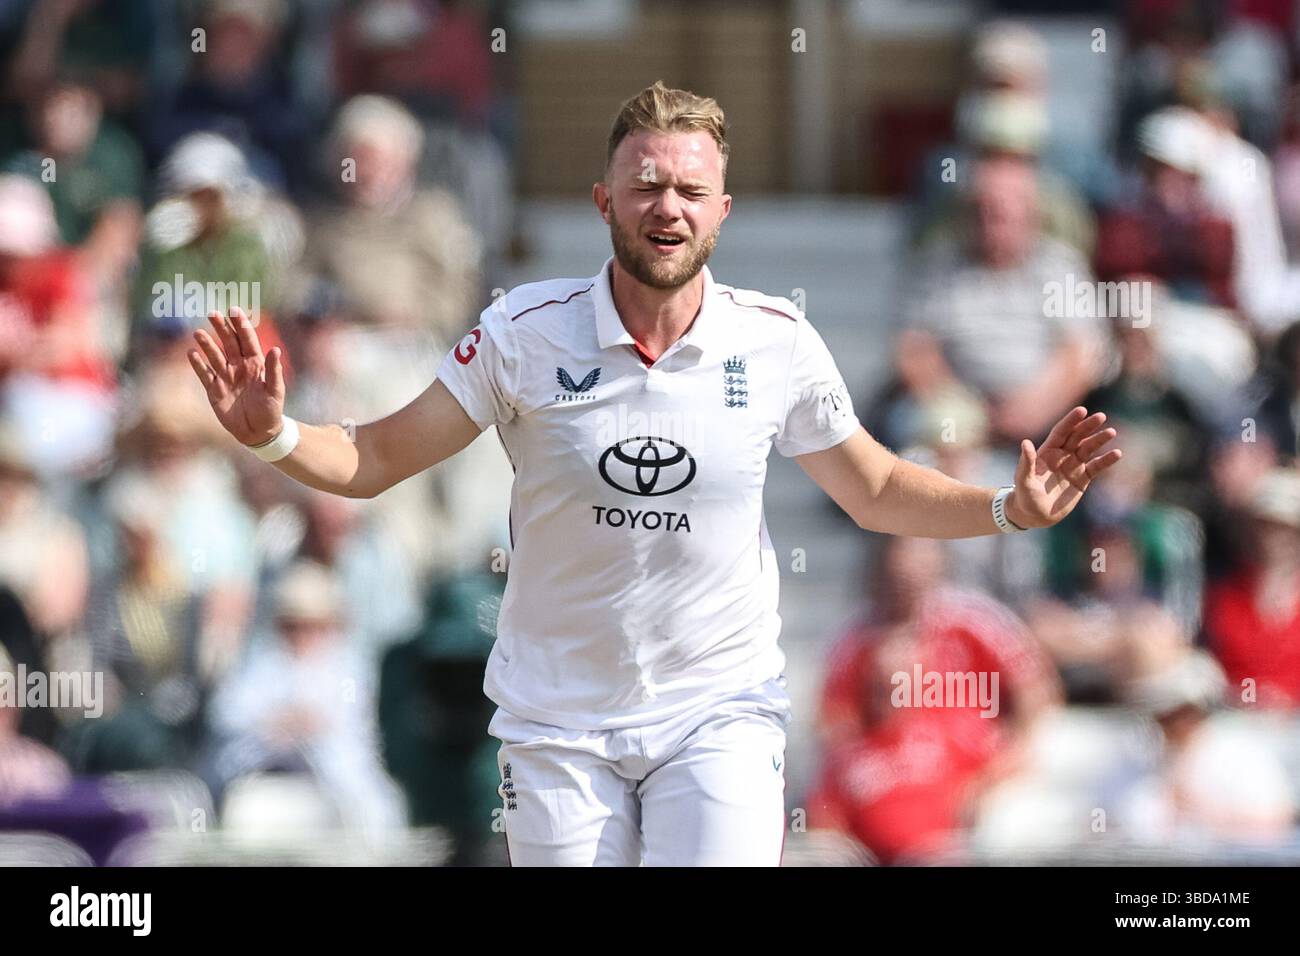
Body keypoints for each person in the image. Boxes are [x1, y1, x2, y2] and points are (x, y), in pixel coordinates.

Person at [185, 81, 1123, 866]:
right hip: (557, 720)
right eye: (645, 185)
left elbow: (874, 488)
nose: (665, 206)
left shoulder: (777, 342)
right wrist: (274, 436)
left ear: (722, 210)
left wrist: (1007, 506)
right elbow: (376, 457)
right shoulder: (522, 332)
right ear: (604, 200)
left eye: (688, 188)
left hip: (719, 710)